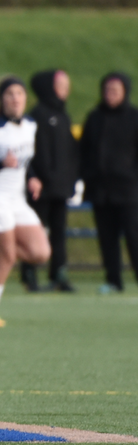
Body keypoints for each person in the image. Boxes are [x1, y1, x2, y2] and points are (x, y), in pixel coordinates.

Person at [0, 77, 51, 327]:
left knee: (41, 253)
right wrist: (0, 164)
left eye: (19, 93)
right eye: (9, 94)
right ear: (3, 100)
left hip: (16, 199)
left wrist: (33, 178)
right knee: (5, 259)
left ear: (25, 98)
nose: (15, 98)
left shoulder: (30, 125)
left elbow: (25, 161)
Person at [79, 72, 138, 294]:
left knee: (134, 236)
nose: (110, 94)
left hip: (129, 190)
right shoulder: (95, 117)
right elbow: (84, 150)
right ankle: (113, 280)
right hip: (100, 189)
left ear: (125, 92)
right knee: (107, 238)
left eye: (115, 90)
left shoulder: (134, 117)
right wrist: (87, 174)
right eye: (107, 90)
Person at [21, 70, 79, 292]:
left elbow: (70, 153)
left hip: (60, 187)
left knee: (59, 231)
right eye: (61, 84)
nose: (66, 89)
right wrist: (34, 176)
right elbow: (29, 152)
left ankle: (59, 272)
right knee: (35, 230)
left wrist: (71, 179)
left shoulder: (63, 116)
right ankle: (29, 271)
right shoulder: (37, 115)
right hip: (41, 187)